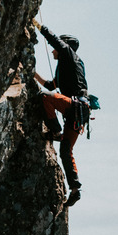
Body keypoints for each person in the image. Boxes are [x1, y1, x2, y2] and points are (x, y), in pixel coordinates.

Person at [32, 18, 89, 206]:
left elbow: (55, 40)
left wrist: (39, 26)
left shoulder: (69, 55)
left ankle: (55, 131)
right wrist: (31, 73)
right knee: (66, 150)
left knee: (46, 98)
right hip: (79, 112)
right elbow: (50, 84)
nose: (53, 50)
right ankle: (75, 189)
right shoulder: (67, 68)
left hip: (74, 106)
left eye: (56, 48)